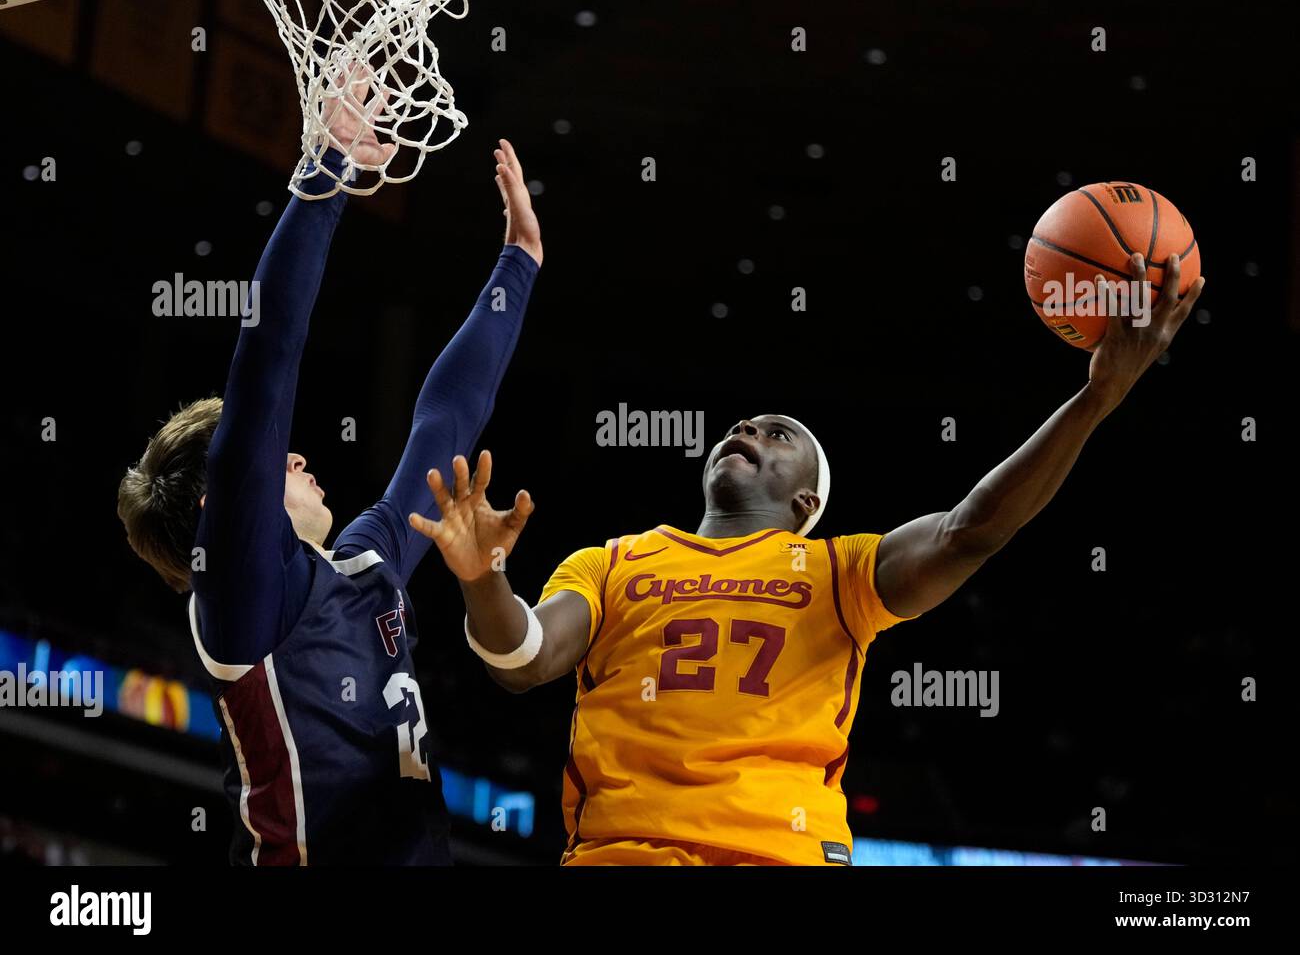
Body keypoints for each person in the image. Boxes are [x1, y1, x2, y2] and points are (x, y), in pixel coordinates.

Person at [410, 254, 1204, 865]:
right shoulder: (613, 562)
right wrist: (485, 581)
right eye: (744, 424)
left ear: (805, 504)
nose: (748, 430)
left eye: (778, 433)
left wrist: (1096, 398)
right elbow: (522, 661)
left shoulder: (839, 573)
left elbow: (973, 529)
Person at [116, 69, 543, 865]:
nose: (298, 453)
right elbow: (268, 353)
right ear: (224, 501)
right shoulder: (244, 598)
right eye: (274, 459)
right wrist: (328, 167)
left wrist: (518, 264)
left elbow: (444, 421)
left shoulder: (365, 563)